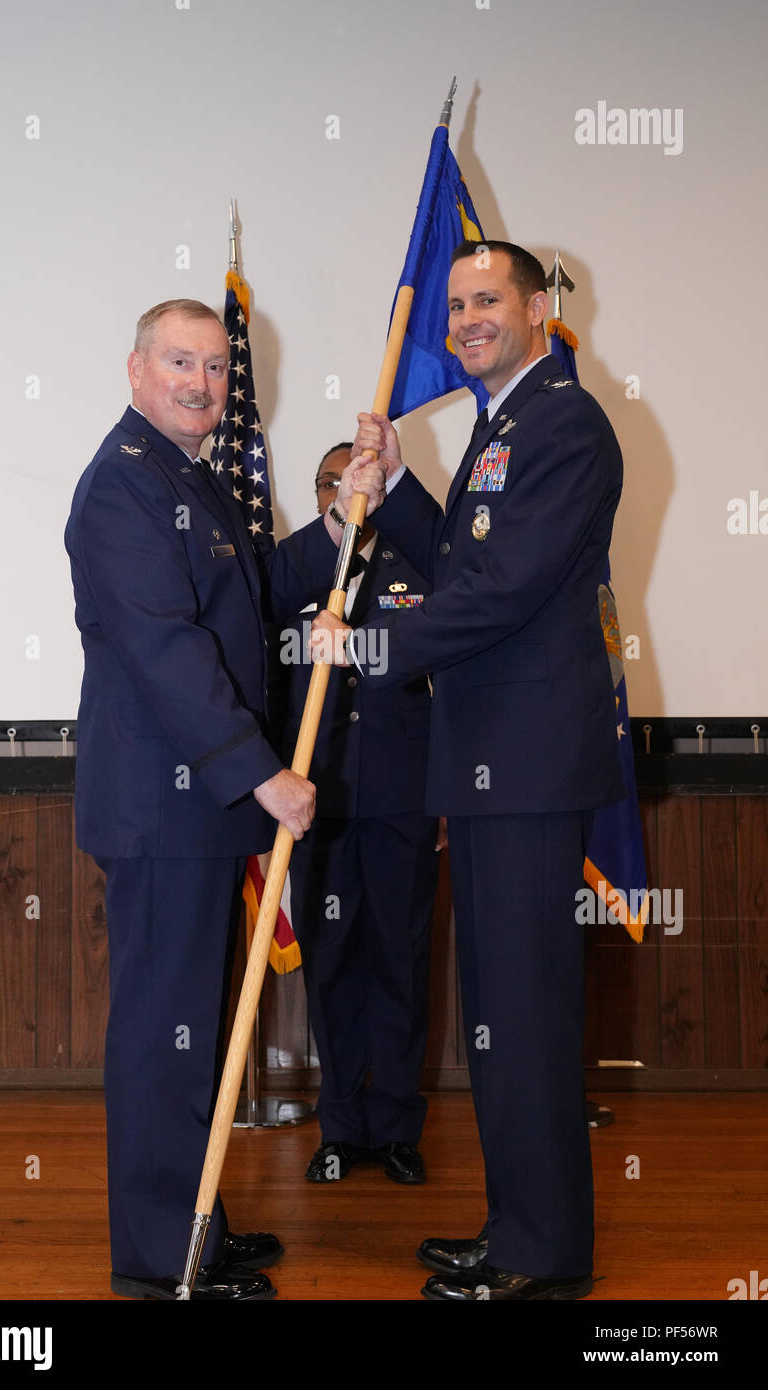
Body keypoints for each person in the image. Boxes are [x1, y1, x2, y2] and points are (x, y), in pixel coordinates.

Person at [310, 241, 625, 1300]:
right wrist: (397, 488)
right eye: (455, 304)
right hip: (488, 766)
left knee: (526, 1014)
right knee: (498, 1012)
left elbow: (502, 590)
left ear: (539, 309)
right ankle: (516, 1227)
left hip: (529, 768)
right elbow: (465, 557)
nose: (467, 318)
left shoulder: (567, 422)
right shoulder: (504, 424)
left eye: (488, 299)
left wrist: (367, 649)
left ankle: (541, 1251)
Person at [64, 299, 384, 1300]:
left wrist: (338, 521)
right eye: (178, 362)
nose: (200, 381)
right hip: (166, 811)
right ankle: (162, 1256)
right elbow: (168, 654)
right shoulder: (120, 490)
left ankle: (195, 1219)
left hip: (195, 812)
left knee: (194, 1030)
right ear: (135, 369)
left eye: (212, 366)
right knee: (165, 1031)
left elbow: (249, 593)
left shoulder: (186, 482)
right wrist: (262, 769)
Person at [279, 443, 442, 1187]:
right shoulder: (292, 569)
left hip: (402, 801)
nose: (346, 492)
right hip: (316, 803)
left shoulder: (418, 563)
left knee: (400, 962)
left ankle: (398, 1126)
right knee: (332, 965)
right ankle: (341, 1126)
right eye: (330, 482)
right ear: (316, 492)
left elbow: (445, 668)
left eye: (359, 481)